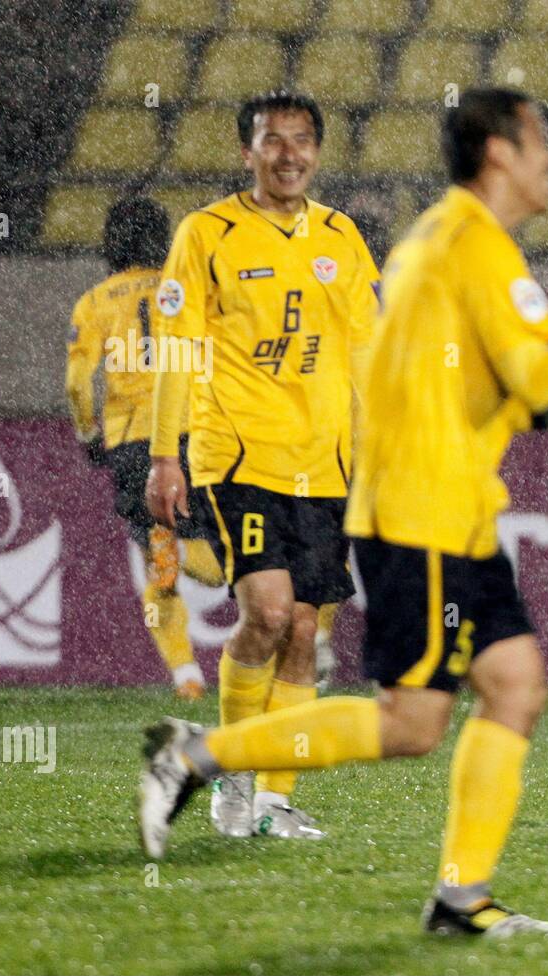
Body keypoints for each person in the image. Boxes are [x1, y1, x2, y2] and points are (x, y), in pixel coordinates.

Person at [139, 87, 548, 937]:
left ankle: (459, 896)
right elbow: (538, 379)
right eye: (540, 141)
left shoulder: (395, 240)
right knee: (397, 710)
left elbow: (414, 366)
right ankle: (205, 758)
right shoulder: (470, 247)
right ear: (500, 152)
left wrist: (515, 403)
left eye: (305, 140)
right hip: (405, 505)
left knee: (513, 688)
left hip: (405, 493)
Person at [145, 91, 380, 839]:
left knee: (306, 630)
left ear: (317, 151)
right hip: (237, 454)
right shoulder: (206, 234)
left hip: (326, 464)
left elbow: (368, 355)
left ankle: (275, 798)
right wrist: (162, 453)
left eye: (302, 140)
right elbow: (177, 350)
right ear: (247, 153)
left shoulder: (342, 237)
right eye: (271, 140)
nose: (288, 154)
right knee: (269, 613)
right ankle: (229, 775)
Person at [66, 196, 222, 700]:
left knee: (160, 560)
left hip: (133, 440)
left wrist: (89, 433)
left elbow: (75, 383)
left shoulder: (95, 302)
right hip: (191, 432)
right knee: (216, 556)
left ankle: (186, 676)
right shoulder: (184, 291)